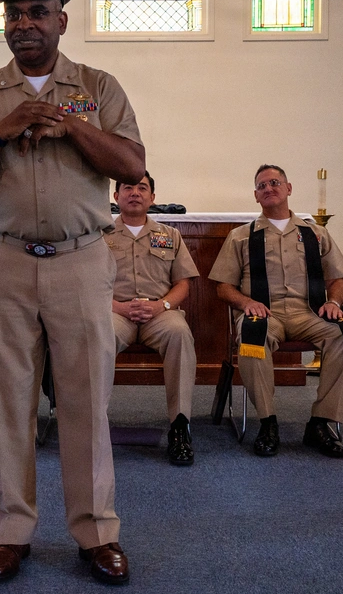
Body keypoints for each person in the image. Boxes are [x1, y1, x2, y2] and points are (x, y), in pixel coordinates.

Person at [0, 0, 144, 586]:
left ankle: (96, 532)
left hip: (80, 261)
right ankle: (10, 533)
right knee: (7, 403)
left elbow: (132, 165)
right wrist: (1, 131)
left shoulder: (97, 88)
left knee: (85, 402)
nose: (23, 23)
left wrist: (69, 127)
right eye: (14, 13)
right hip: (4, 262)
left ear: (61, 20)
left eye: (37, 11)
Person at [210, 164, 343, 459]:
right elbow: (223, 287)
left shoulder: (315, 234)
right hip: (264, 313)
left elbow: (336, 280)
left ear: (288, 188)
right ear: (256, 196)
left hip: (309, 313)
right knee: (252, 336)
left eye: (274, 183)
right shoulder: (240, 236)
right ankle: (268, 422)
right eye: (262, 186)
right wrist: (245, 303)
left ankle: (321, 422)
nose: (268, 188)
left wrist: (334, 303)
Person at [106, 172, 200, 466]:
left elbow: (183, 282)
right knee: (98, 336)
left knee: (180, 334)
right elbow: (87, 283)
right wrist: (118, 308)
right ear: (116, 196)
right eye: (128, 188)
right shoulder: (99, 235)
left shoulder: (170, 235)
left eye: (142, 188)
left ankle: (180, 428)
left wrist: (163, 305)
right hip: (115, 312)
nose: (135, 193)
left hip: (159, 313)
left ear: (152, 198)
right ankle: (92, 426)